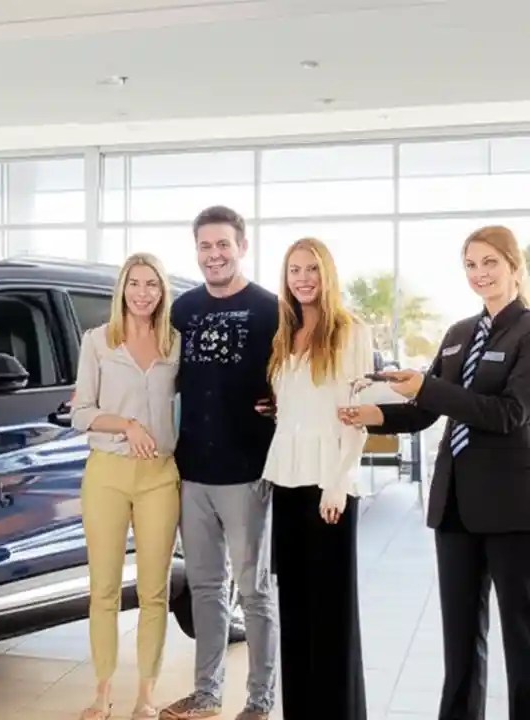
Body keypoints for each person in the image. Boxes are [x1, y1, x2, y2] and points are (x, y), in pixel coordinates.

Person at [340, 225, 530, 720]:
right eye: (470, 264)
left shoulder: (528, 332)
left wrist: (427, 388)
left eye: (490, 262)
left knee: (522, 639)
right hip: (456, 506)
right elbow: (427, 410)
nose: (480, 274)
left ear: (513, 265)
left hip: (513, 508)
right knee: (460, 641)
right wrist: (375, 415)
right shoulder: (458, 334)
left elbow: (508, 414)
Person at [161, 206, 279, 720]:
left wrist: (282, 402)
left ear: (242, 247)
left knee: (254, 591)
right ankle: (207, 696)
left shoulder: (271, 309)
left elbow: (297, 374)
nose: (214, 255)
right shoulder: (182, 309)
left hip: (248, 472)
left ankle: (259, 701)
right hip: (192, 473)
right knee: (205, 588)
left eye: (223, 245)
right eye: (205, 247)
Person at [261, 238, 371, 720]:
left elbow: (356, 417)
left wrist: (337, 483)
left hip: (329, 486)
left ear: (326, 274)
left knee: (331, 618)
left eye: (311, 269)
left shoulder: (350, 332)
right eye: (293, 270)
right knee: (297, 614)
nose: (302, 278)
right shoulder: (285, 335)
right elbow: (298, 406)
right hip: (286, 481)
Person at [71, 252, 181, 720]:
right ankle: (101, 692)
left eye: (151, 284)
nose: (142, 293)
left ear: (162, 292)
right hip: (108, 474)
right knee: (104, 589)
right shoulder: (98, 342)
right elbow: (80, 413)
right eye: (134, 284)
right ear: (122, 289)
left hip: (160, 475)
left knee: (155, 590)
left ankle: (146, 695)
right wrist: (128, 425)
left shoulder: (174, 342)